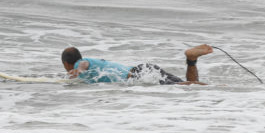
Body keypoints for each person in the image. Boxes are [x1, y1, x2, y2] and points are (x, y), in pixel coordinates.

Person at [61, 44, 214, 85]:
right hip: (145, 70)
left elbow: (83, 65)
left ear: (67, 64)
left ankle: (215, 87)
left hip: (139, 76)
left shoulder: (81, 63)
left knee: (188, 86)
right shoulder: (95, 63)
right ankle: (191, 60)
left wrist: (77, 72)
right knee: (188, 85)